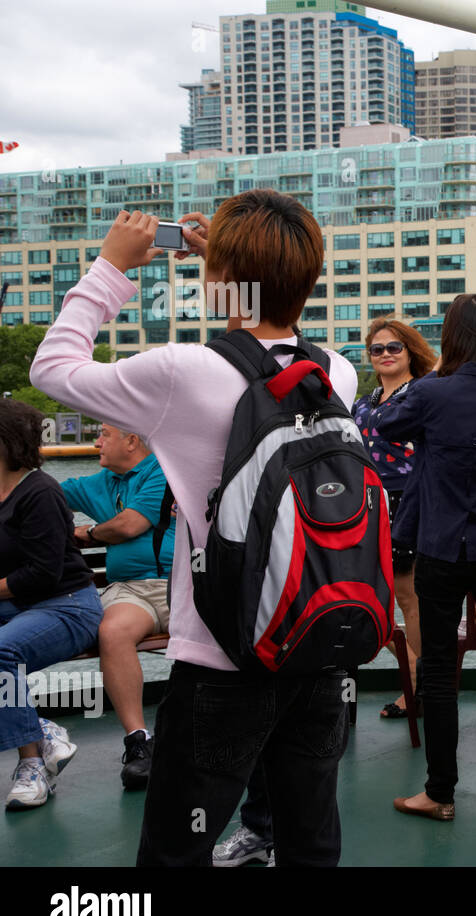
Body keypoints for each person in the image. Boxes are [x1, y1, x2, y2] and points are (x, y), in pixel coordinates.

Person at [31, 194, 359, 866]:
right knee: (311, 840)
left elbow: (52, 370)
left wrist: (110, 269)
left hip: (220, 662)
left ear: (220, 280)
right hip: (319, 647)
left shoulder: (182, 373)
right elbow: (265, 335)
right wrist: (233, 266)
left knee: (175, 852)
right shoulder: (337, 372)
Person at [375, 293, 476, 822]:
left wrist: (431, 375)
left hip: (439, 541)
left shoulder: (432, 391)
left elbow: (384, 425)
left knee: (438, 668)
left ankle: (440, 792)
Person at [0, 399, 103, 810]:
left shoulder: (40, 491)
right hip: (21, 605)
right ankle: (41, 732)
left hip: (67, 605)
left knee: (2, 651)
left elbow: (43, 573)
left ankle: (32, 765)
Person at [60, 423, 174, 790]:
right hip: (130, 590)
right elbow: (39, 496)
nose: (96, 442)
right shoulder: (101, 483)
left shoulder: (164, 468)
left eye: (104, 434)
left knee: (221, 627)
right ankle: (138, 742)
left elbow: (130, 525)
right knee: (112, 631)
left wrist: (86, 533)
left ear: (131, 440)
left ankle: (214, 731)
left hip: (183, 585)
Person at [352, 317, 439, 719]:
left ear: (410, 352)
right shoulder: (363, 403)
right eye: (377, 349)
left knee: (407, 595)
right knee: (368, 597)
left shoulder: (420, 393)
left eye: (394, 348)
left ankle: (424, 683)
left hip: (406, 500)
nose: (385, 354)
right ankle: (422, 675)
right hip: (367, 504)